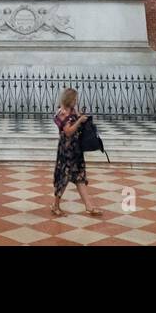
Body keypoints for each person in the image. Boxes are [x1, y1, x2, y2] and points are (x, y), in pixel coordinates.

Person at [51, 88, 102, 218]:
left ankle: (89, 206)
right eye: (74, 99)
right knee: (63, 177)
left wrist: (81, 118)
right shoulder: (62, 112)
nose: (76, 101)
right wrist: (79, 121)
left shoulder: (72, 111)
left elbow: (75, 121)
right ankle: (55, 205)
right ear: (69, 99)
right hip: (66, 151)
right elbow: (68, 131)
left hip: (76, 148)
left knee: (80, 177)